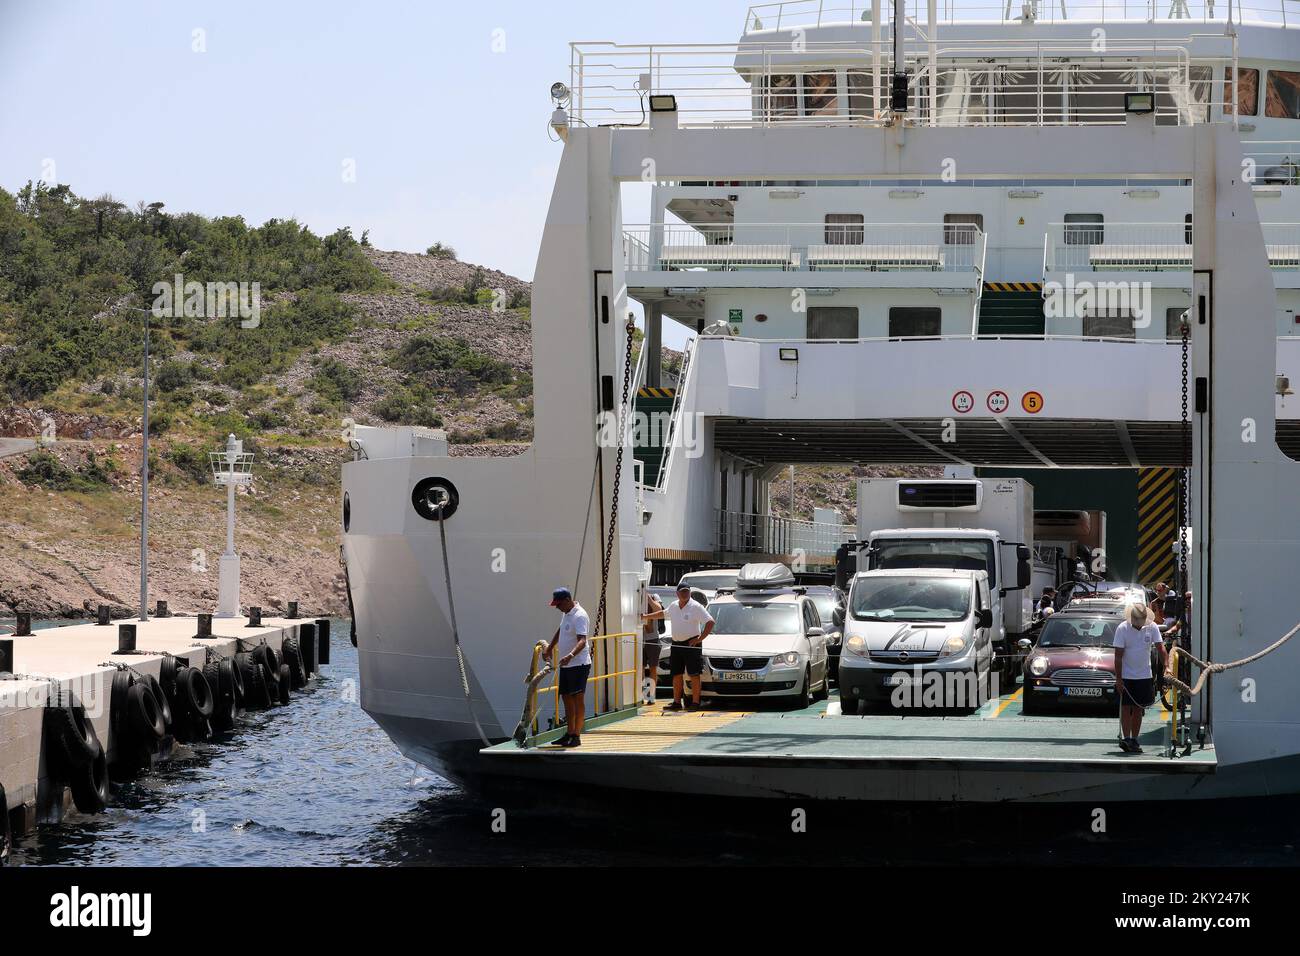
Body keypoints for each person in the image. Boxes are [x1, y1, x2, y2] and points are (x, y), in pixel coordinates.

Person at [642, 583, 714, 711]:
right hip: (676, 644)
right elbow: (663, 614)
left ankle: (695, 702)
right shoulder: (674, 605)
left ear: (690, 592)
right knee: (676, 674)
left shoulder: (696, 606)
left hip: (691, 644)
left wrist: (699, 639)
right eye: (682, 592)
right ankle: (676, 702)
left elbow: (710, 622)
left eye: (687, 591)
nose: (684, 594)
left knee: (694, 674)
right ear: (677, 593)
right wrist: (646, 617)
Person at [1112, 602, 1168, 754]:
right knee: (1125, 708)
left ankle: (1134, 738)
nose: (1137, 622)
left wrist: (1167, 667)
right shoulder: (1122, 628)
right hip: (1126, 675)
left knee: (1138, 708)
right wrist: (1118, 679)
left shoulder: (1152, 627)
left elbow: (1161, 648)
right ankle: (1127, 737)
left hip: (1144, 675)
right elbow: (1118, 657)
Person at [545, 587, 591, 748]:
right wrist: (550, 647)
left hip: (579, 664)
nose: (557, 608)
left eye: (558, 604)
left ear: (567, 600)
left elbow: (582, 640)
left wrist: (570, 655)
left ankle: (576, 735)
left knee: (577, 699)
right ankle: (569, 732)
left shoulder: (579, 615)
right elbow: (561, 630)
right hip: (567, 665)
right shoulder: (566, 613)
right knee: (566, 698)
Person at [641, 589, 665, 701]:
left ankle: (651, 695)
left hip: (652, 638)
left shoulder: (654, 596)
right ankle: (640, 694)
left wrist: (649, 599)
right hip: (639, 638)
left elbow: (659, 610)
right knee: (640, 668)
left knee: (653, 668)